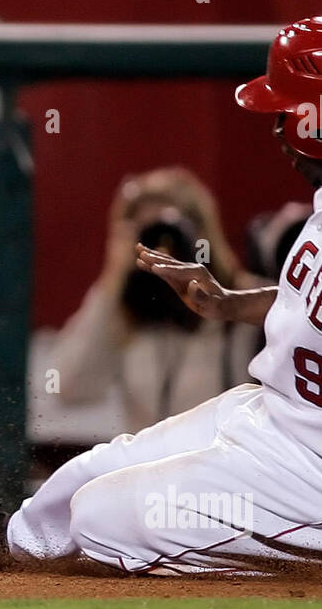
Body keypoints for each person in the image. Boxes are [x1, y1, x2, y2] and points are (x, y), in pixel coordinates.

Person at [4, 16, 322, 584]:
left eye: (288, 112)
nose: (279, 129)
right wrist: (233, 303)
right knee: (62, 496)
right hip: (274, 420)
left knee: (99, 518)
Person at [50, 167, 259, 430]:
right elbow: (69, 387)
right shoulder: (130, 311)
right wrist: (113, 277)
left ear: (201, 234)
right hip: (149, 466)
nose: (163, 252)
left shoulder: (243, 303)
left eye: (173, 235)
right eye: (149, 238)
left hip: (223, 464)